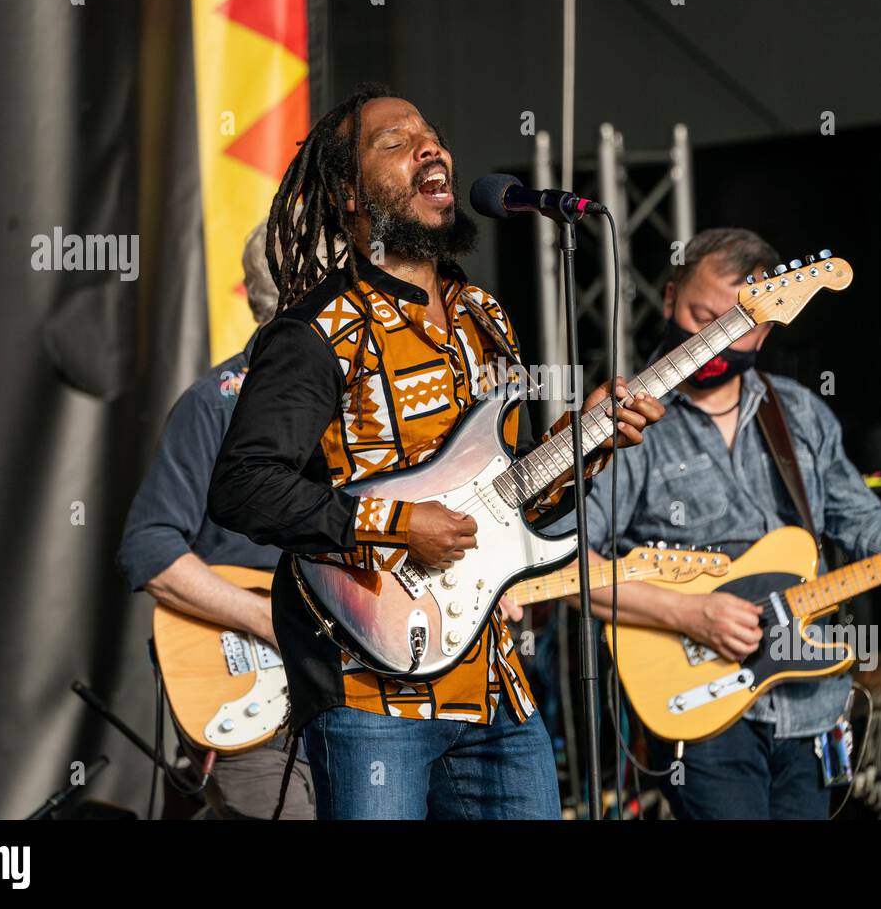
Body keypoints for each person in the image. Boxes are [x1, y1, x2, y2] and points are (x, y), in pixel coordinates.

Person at [206, 83, 664, 820]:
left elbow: (506, 499)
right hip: (370, 688)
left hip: (493, 682)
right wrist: (393, 524)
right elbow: (243, 486)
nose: (431, 147)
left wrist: (582, 449)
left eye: (433, 135)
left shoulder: (484, 317)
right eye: (396, 142)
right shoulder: (315, 332)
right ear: (349, 197)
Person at [574, 227, 881, 819]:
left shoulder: (803, 415)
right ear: (667, 300)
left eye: (736, 325)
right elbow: (568, 564)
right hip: (699, 709)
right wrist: (690, 612)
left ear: (766, 327)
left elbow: (872, 529)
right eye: (700, 315)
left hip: (809, 710)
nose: (714, 341)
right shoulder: (629, 424)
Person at [116, 222, 316, 819]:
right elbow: (148, 548)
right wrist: (267, 619)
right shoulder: (216, 404)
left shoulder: (364, 406)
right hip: (254, 701)